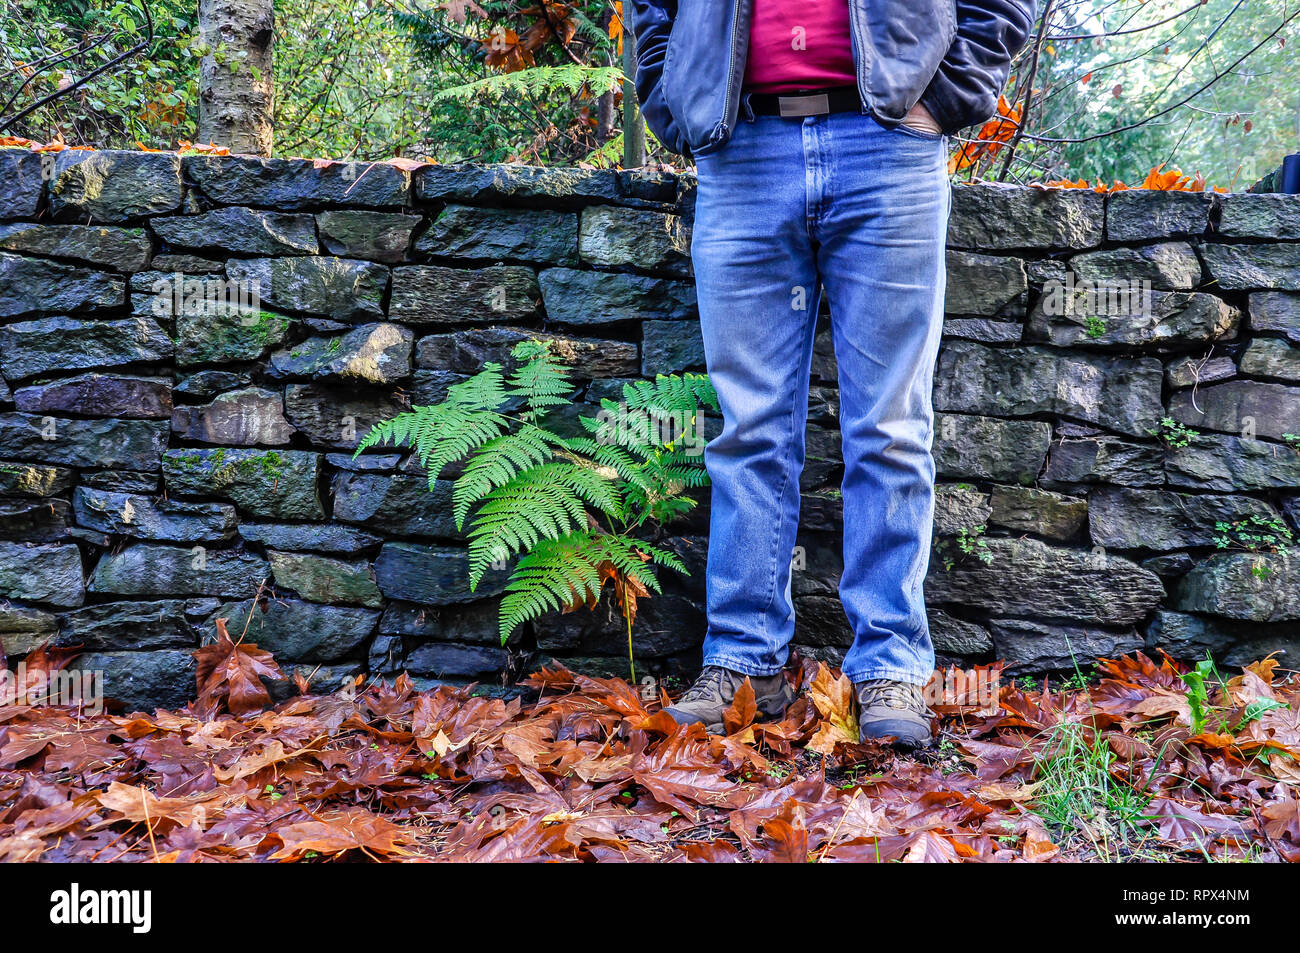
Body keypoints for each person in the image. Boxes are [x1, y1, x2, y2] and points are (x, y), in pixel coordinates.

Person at [629, 0, 1037, 748]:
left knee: (890, 426)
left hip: (889, 143)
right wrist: (672, 97)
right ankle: (743, 663)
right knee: (748, 429)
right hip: (741, 147)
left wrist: (948, 95)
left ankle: (891, 667)